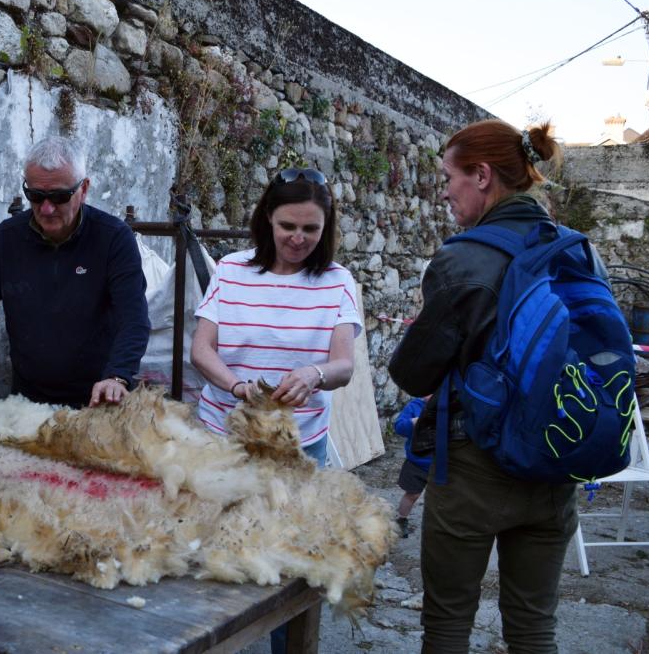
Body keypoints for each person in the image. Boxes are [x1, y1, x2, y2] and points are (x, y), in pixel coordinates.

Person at [388, 119, 574, 653]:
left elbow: (413, 373)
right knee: (535, 625)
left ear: (483, 175)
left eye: (449, 176)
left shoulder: (463, 257)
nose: (444, 190)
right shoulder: (578, 251)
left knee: (447, 622)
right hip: (555, 462)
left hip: (474, 467)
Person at [0, 135, 150, 408]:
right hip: (27, 406)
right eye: (35, 196)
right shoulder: (8, 239)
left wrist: (118, 376)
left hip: (98, 400)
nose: (46, 208)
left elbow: (134, 318)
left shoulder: (113, 239)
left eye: (58, 196)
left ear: (84, 189)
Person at [190, 168, 360, 466]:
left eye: (310, 229)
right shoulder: (230, 270)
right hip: (223, 433)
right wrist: (237, 387)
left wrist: (314, 375)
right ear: (268, 217)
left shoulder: (338, 280)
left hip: (299, 442)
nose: (298, 238)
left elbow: (344, 366)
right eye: (287, 226)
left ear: (326, 226)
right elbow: (201, 350)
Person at [393, 395, 429, 539]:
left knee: (441, 496)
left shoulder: (448, 407)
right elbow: (399, 427)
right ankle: (401, 519)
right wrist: (412, 423)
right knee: (412, 494)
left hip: (442, 463)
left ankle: (440, 525)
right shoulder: (414, 406)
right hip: (417, 462)